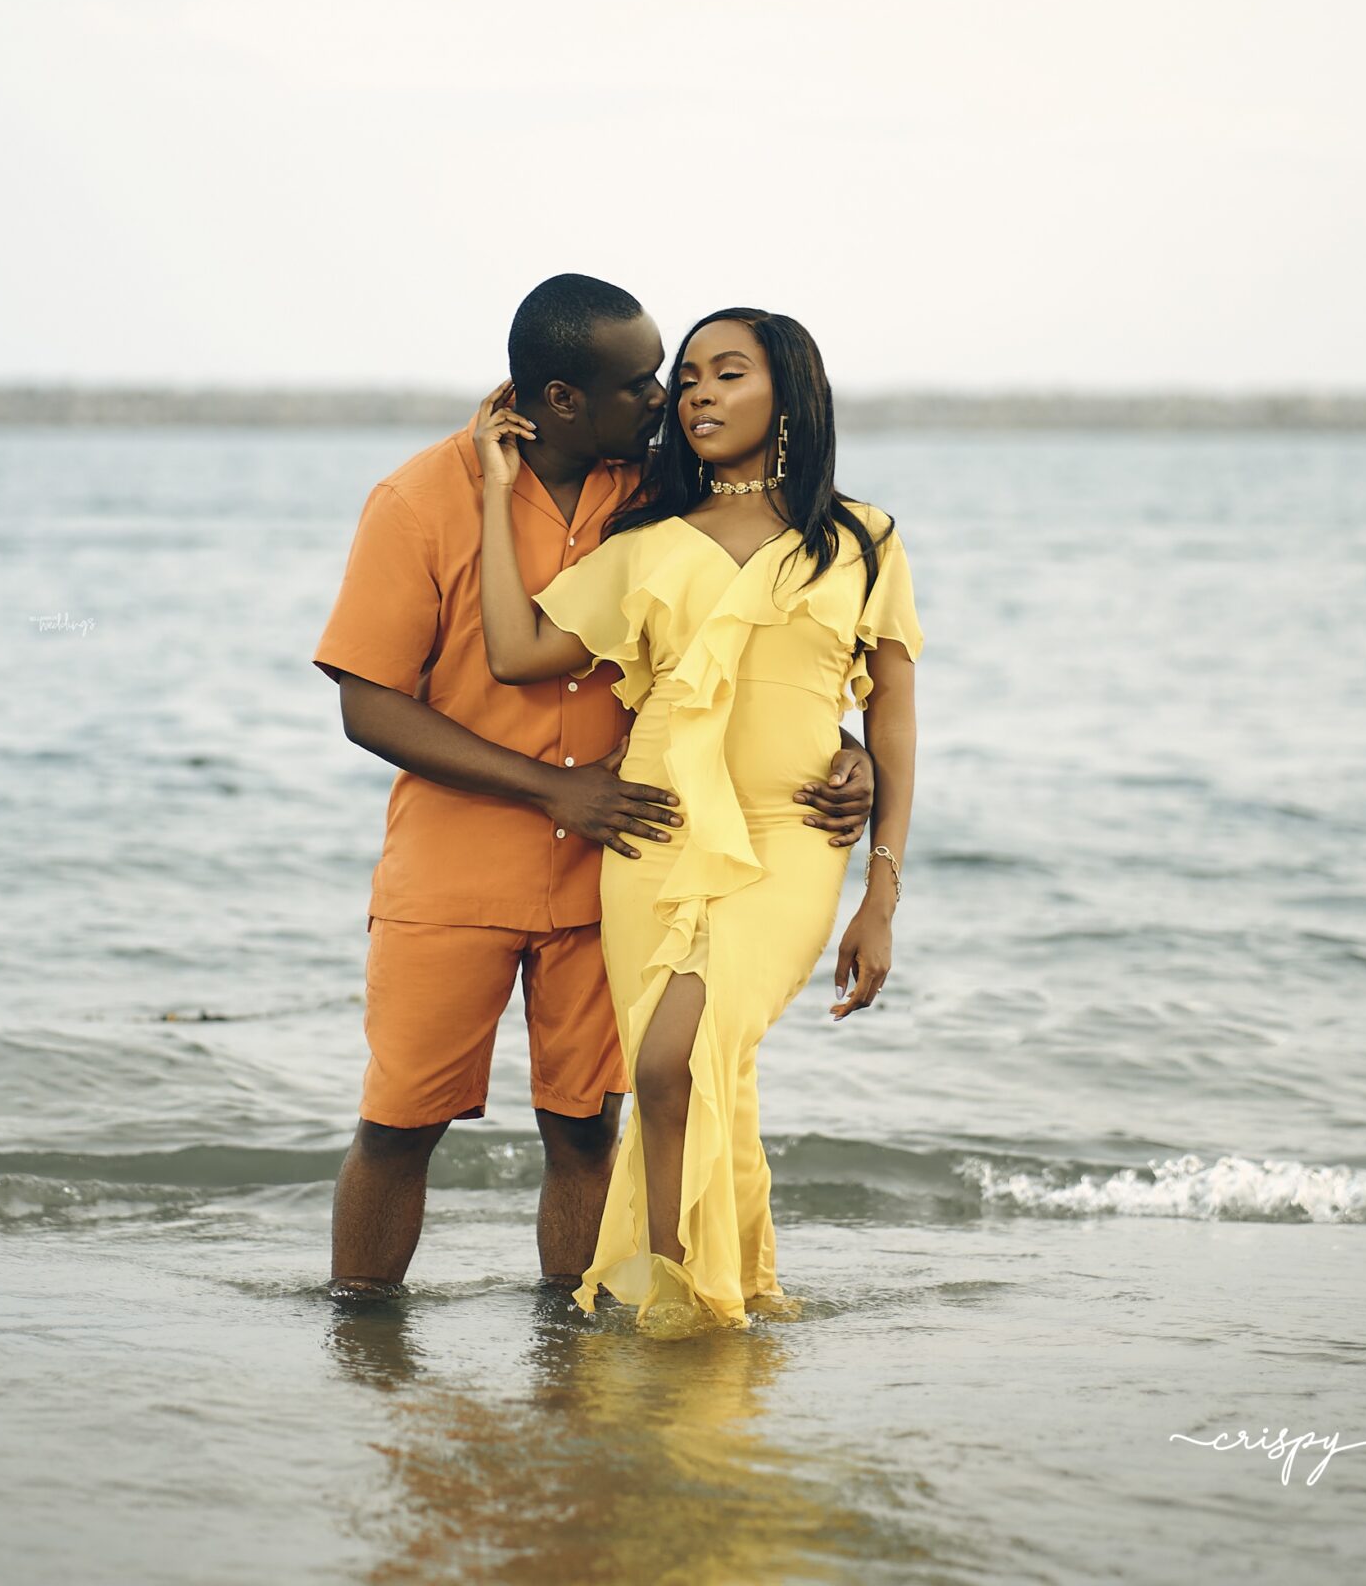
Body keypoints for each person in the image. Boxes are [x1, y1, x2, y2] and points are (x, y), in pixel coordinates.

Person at [313, 275, 876, 1296]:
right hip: (454, 876)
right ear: (563, 398)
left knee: (585, 1129)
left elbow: (740, 653)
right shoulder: (418, 498)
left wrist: (853, 746)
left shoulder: (657, 492)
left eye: (669, 376)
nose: (665, 398)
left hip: (622, 870)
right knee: (400, 1124)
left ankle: (572, 1373)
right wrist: (547, 788)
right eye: (642, 382)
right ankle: (364, 1361)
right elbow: (368, 702)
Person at [475, 306, 921, 1334]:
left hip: (792, 838)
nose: (700, 393)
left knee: (682, 1058)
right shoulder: (646, 543)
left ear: (790, 395)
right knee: (694, 1067)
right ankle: (729, 1296)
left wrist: (880, 891)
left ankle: (682, 1303)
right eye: (688, 378)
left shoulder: (861, 538)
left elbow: (889, 706)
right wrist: (501, 497)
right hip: (657, 841)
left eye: (730, 373)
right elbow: (515, 648)